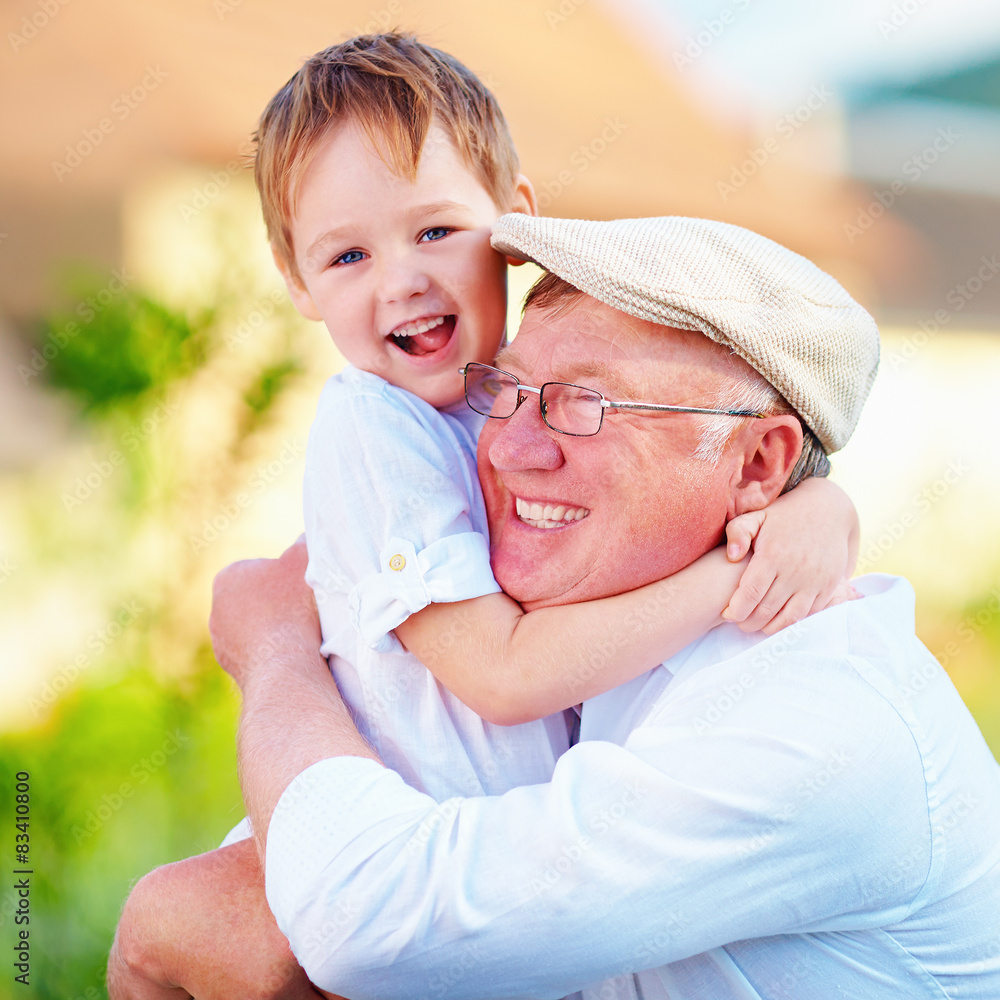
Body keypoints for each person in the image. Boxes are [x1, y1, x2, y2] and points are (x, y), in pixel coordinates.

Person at [110, 214, 1000, 999]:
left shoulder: (816, 722)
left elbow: (369, 924)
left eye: (588, 404)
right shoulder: (608, 628)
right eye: (506, 388)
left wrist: (275, 652)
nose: (512, 450)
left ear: (760, 465)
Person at [233, 32, 856, 827]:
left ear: (513, 220)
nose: (402, 281)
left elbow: (691, 482)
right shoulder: (374, 433)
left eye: (434, 232)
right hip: (403, 841)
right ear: (298, 283)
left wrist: (817, 507)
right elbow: (502, 677)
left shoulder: (510, 395)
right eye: (348, 256)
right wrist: (742, 578)